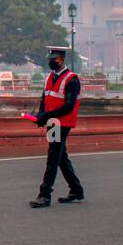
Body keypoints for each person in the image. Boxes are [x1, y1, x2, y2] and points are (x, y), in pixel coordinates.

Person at [29, 46, 85, 208]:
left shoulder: (72, 80)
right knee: (60, 157)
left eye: (54, 59)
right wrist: (41, 115)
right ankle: (76, 190)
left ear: (62, 59)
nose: (51, 61)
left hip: (63, 122)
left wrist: (46, 116)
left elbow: (69, 106)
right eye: (50, 59)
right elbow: (44, 99)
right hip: (53, 122)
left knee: (53, 156)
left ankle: (45, 195)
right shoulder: (49, 78)